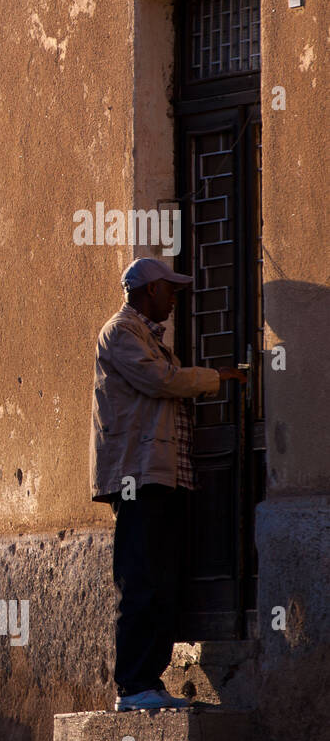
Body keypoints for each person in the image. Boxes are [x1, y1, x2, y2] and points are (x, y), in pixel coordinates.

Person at [89, 257, 247, 711]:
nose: (174, 300)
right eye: (169, 290)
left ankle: (148, 683)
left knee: (158, 581)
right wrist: (217, 378)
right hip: (137, 478)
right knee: (140, 581)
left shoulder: (149, 339)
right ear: (148, 291)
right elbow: (161, 382)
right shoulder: (121, 332)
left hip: (161, 476)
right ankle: (133, 686)